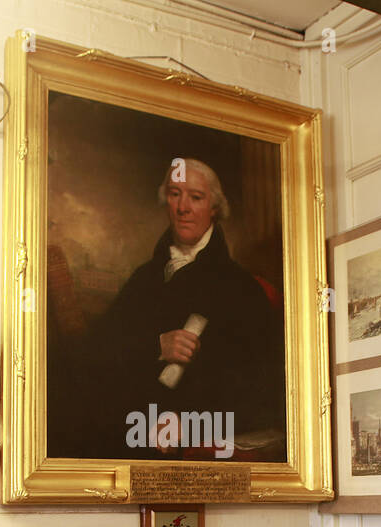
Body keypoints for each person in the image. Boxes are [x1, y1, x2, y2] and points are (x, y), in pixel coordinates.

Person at [74, 158, 286, 460]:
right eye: (175, 194)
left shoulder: (240, 288)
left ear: (214, 207)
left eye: (196, 197)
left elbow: (262, 389)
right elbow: (97, 352)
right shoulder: (143, 278)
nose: (183, 207)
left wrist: (189, 422)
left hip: (191, 436)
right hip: (127, 429)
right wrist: (156, 346)